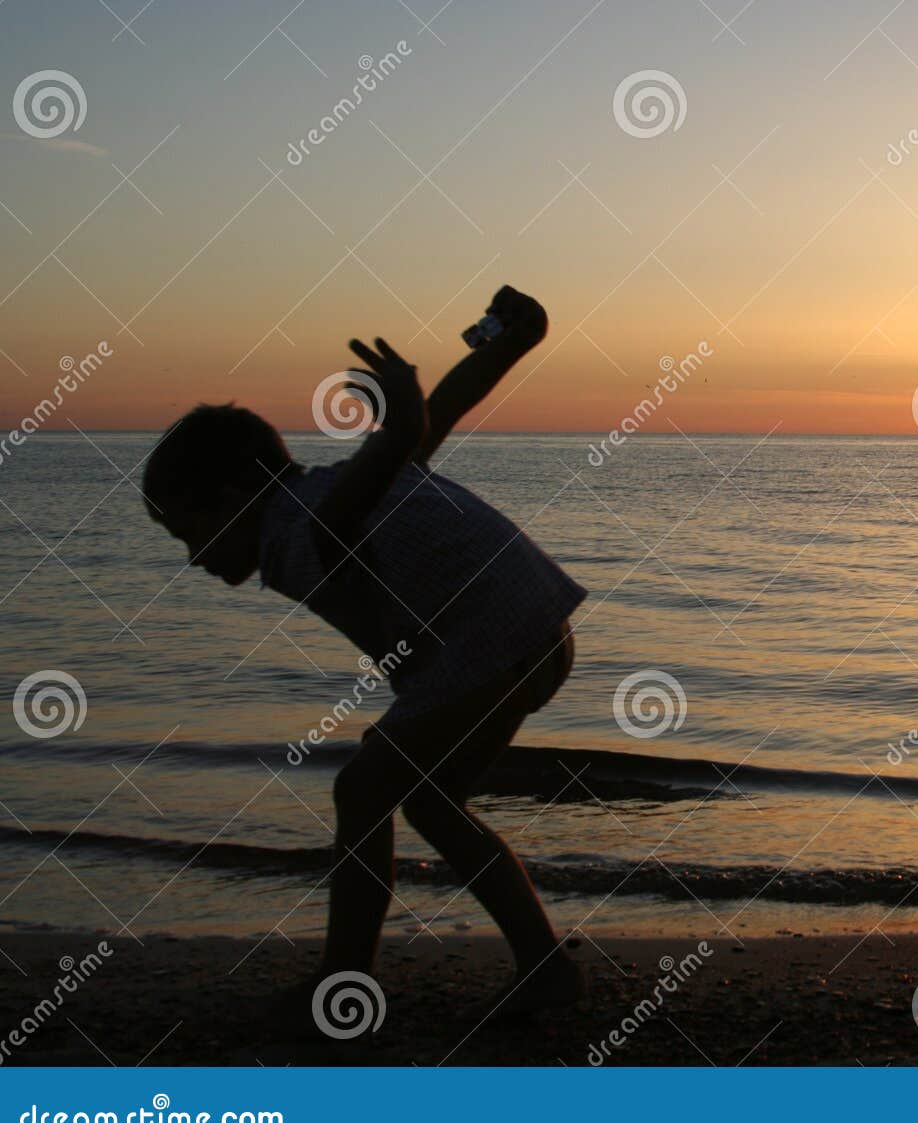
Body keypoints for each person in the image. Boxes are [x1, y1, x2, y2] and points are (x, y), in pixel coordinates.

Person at [141, 287, 586, 1018]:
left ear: (234, 496)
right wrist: (507, 347)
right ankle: (544, 970)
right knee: (432, 804)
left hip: (487, 644)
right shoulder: (336, 487)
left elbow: (355, 505)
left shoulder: (298, 524)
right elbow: (433, 423)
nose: (194, 556)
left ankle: (343, 983)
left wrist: (403, 419)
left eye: (192, 531)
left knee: (363, 791)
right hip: (529, 631)